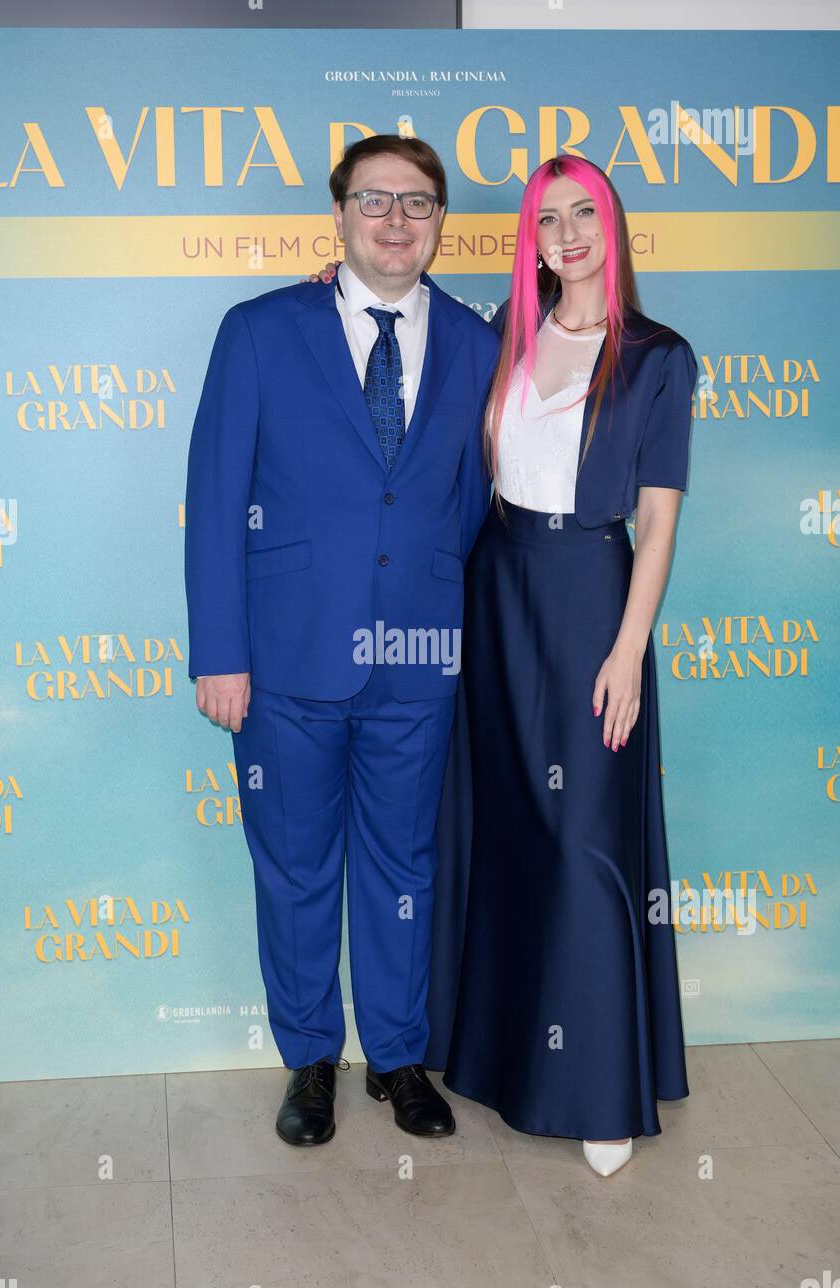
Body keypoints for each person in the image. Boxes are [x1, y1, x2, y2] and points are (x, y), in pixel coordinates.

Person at [312, 152, 696, 1176]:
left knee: (581, 841)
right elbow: (397, 322)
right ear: (528, 237)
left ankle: (597, 1087)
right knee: (495, 826)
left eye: (583, 215)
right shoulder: (500, 339)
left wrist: (625, 646)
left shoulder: (658, 356)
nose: (565, 234)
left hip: (586, 596)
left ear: (611, 226)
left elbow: (654, 525)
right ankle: (485, 1053)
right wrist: (326, 293)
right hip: (489, 590)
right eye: (545, 220)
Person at [184, 135, 499, 1146]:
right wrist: (219, 651)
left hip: (418, 661)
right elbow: (215, 495)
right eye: (375, 201)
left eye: (416, 204)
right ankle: (311, 1057)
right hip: (282, 661)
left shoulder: (474, 340)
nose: (396, 221)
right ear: (339, 213)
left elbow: (461, 507)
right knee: (295, 866)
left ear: (440, 221)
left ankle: (398, 1058)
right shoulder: (258, 331)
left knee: (403, 867)